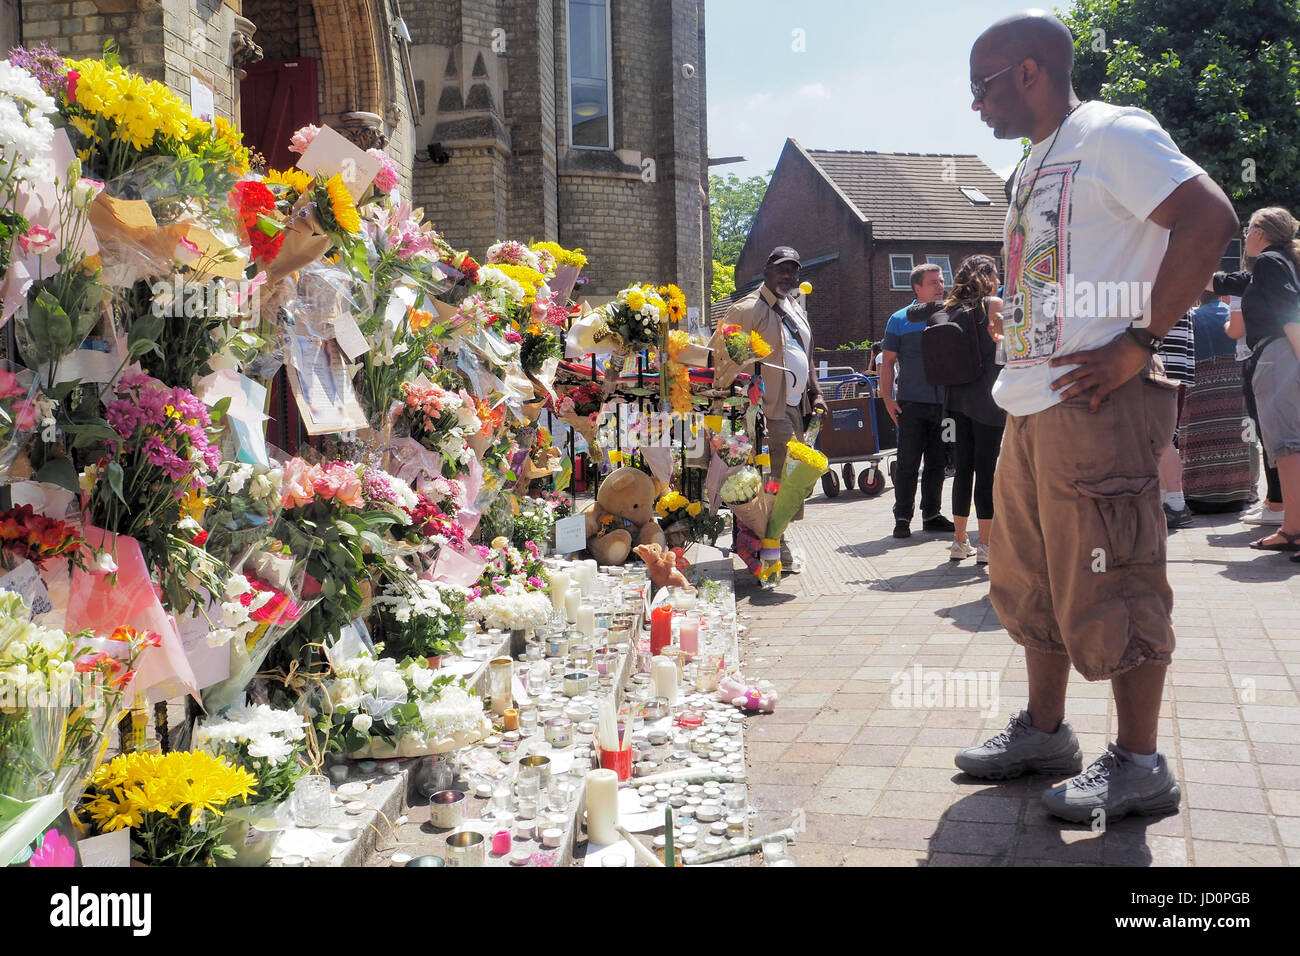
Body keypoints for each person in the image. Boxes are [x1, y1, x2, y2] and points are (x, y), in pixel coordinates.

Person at [954, 11, 1238, 824]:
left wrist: (1139, 340)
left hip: (1101, 402)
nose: (976, 105)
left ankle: (1141, 763)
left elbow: (1210, 217)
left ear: (1031, 70)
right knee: (1032, 579)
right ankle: (1047, 734)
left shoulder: (1113, 131)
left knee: (1118, 580)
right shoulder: (1034, 162)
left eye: (983, 85)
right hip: (1034, 404)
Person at [723, 246, 828, 573]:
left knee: (795, 478)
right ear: (766, 270)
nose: (788, 276)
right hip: (768, 408)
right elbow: (725, 360)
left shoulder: (794, 306)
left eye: (793, 270)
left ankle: (776, 534)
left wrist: (817, 391)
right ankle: (773, 544)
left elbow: (804, 354)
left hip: (798, 405)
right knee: (777, 478)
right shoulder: (746, 309)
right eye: (782, 269)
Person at [1209, 207, 1300, 558]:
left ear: (1260, 233)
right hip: (1280, 355)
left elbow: (1288, 308)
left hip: (1278, 356)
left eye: (1248, 230)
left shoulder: (1268, 262)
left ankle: (1292, 530)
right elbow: (1222, 282)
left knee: (1288, 448)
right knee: (1289, 446)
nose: (1245, 236)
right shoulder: (1277, 264)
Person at [907, 254, 1006, 563]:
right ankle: (986, 546)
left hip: (954, 401)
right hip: (988, 400)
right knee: (987, 470)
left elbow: (912, 314)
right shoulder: (993, 305)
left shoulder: (949, 308)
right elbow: (1008, 347)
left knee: (963, 470)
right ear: (988, 277)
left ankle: (960, 541)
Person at [880, 263, 956, 539]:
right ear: (917, 288)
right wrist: (887, 399)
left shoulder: (952, 314)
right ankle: (902, 517)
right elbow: (887, 363)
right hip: (911, 404)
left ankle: (932, 514)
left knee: (939, 462)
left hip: (946, 405)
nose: (940, 286)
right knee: (908, 462)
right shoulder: (899, 319)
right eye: (934, 282)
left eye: (941, 281)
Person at [1179, 292, 1254, 512]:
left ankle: (1200, 493)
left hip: (1200, 385)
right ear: (1222, 295)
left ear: (1198, 297)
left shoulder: (1192, 317)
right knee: (1240, 435)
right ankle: (1240, 490)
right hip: (1238, 384)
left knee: (1199, 435)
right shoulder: (1235, 315)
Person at [1156, 309, 1195, 528]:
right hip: (1173, 366)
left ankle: (1175, 502)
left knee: (1158, 436)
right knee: (1162, 436)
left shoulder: (1157, 280)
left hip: (1160, 365)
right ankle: (1167, 499)